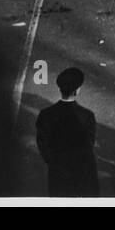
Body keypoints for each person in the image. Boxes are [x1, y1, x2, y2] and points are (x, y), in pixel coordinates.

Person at [35, 66, 99, 197]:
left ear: (59, 89)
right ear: (78, 90)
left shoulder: (45, 114)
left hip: (58, 171)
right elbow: (88, 145)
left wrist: (54, 164)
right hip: (81, 171)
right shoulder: (87, 116)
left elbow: (42, 145)